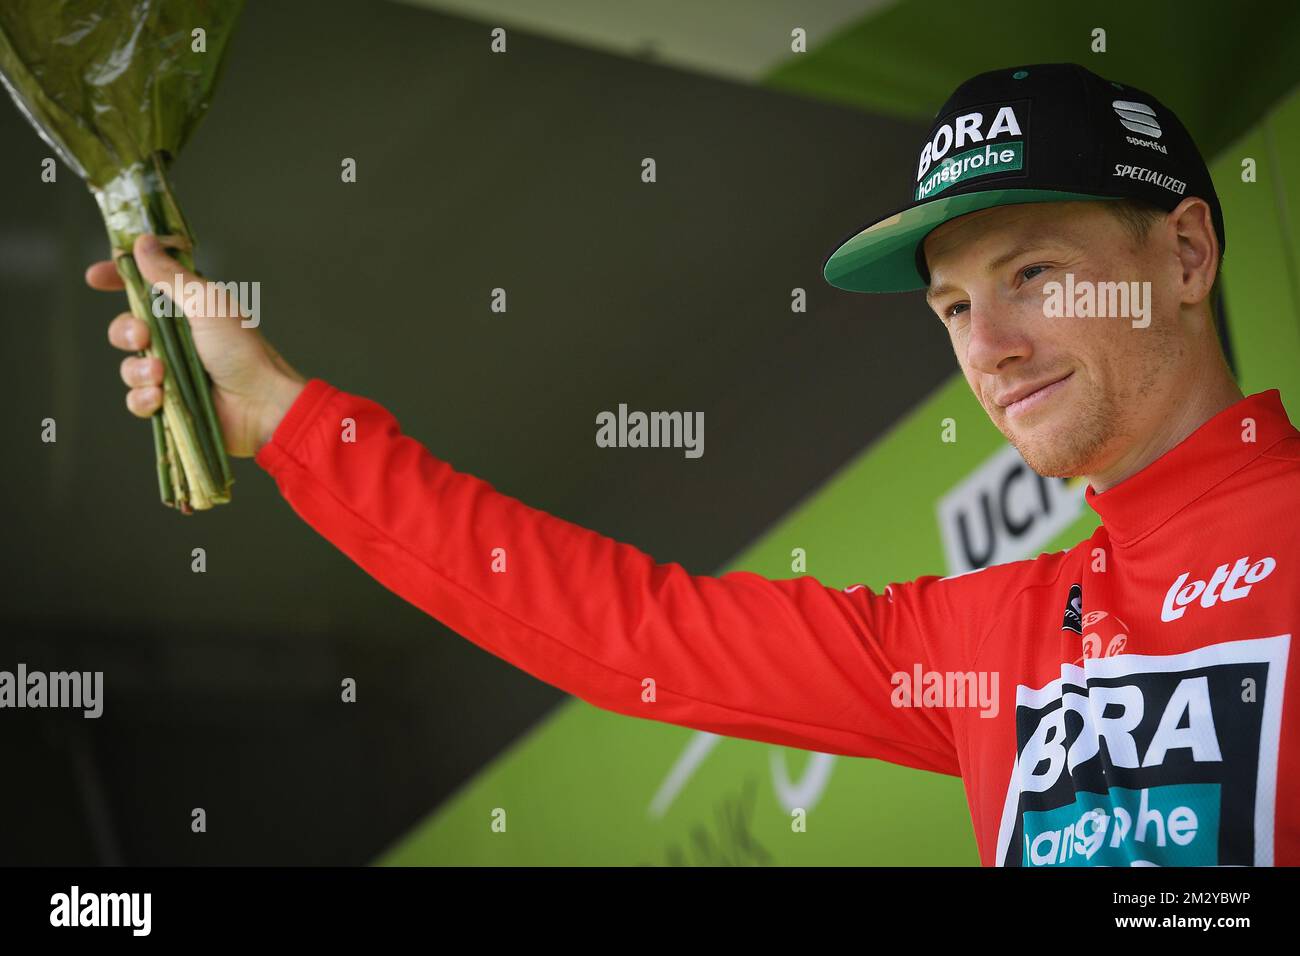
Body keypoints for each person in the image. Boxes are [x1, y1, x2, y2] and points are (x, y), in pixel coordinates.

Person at [87, 63, 1298, 866]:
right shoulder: (987, 640)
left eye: (1030, 274)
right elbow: (634, 633)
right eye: (949, 307)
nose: (988, 346)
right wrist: (289, 419)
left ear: (1185, 253)